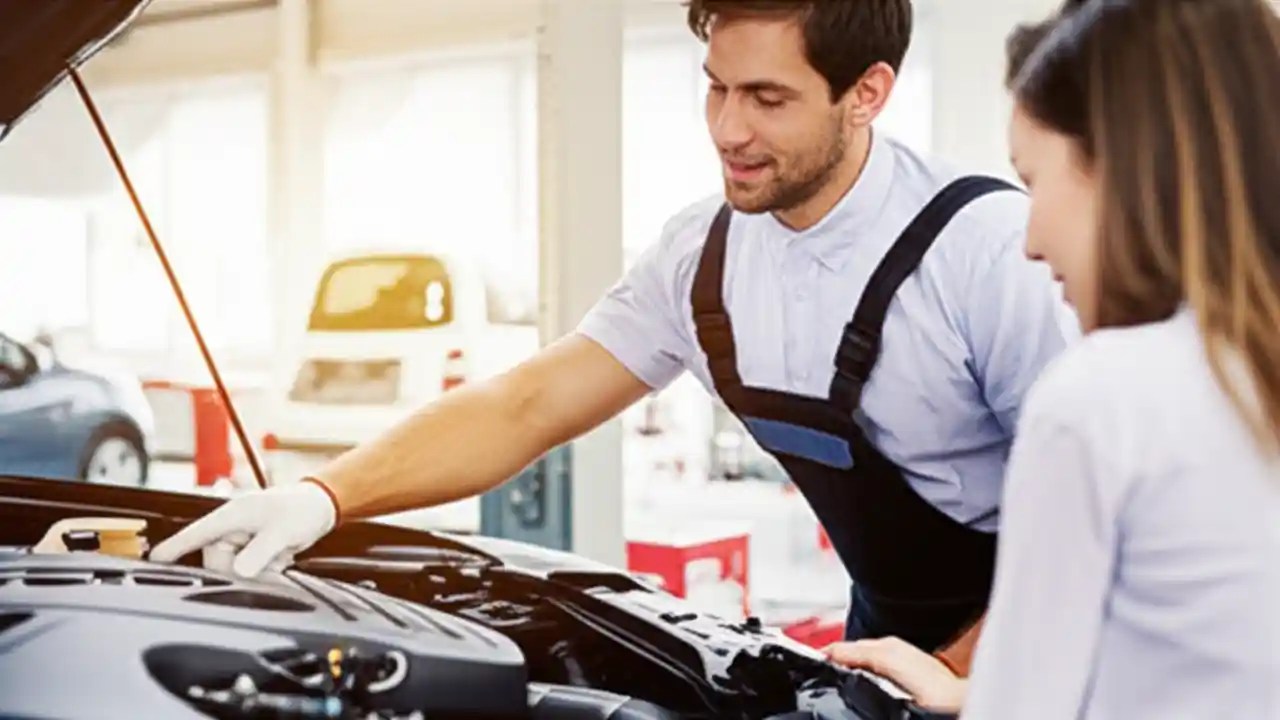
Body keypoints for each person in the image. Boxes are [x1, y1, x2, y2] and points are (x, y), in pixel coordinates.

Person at [150, 0, 1074, 666]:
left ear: (867, 92)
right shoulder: (700, 258)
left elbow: (1107, 512)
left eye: (767, 97)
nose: (728, 129)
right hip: (879, 644)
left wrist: (988, 673)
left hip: (1046, 642)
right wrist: (322, 496)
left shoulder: (989, 254)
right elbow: (526, 404)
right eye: (714, 89)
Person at [822, 0, 1280, 717]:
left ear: (1126, 171)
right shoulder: (1245, 379)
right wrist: (971, 690)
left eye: (1034, 182)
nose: (1031, 241)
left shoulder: (1105, 400)